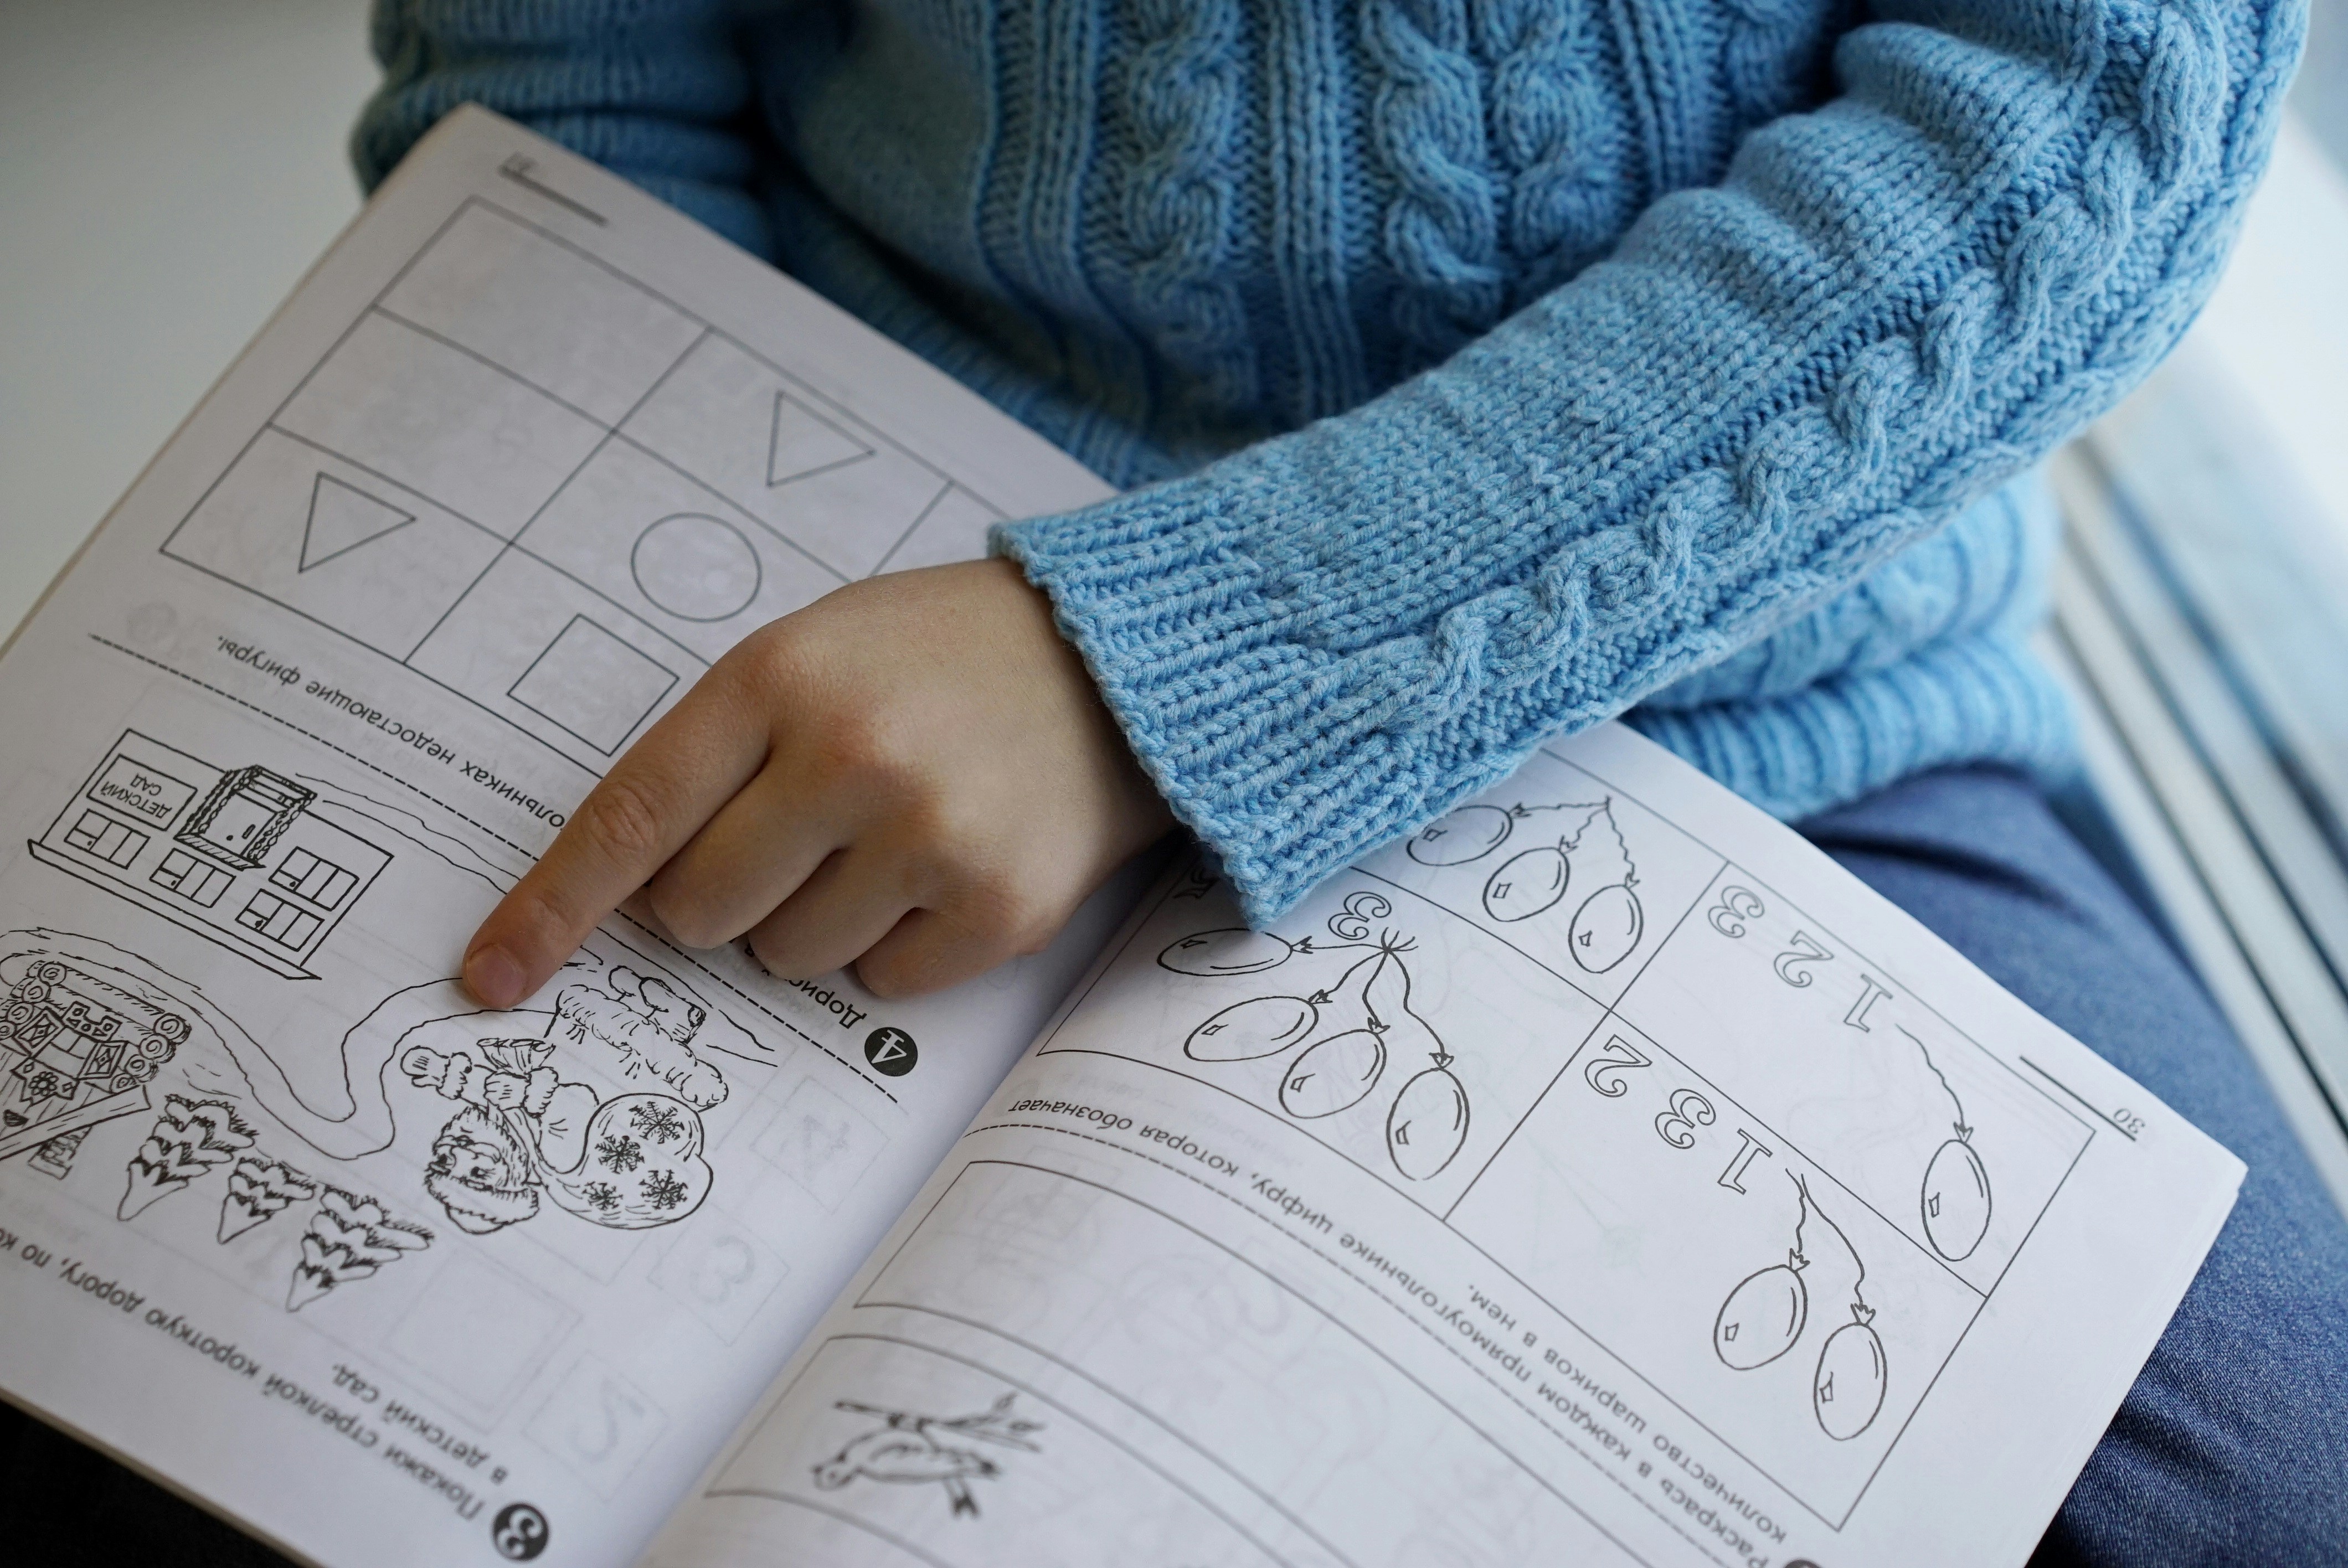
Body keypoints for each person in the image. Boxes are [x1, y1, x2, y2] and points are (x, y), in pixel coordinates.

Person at [6, 0, 2343, 1562]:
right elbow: (566, 56)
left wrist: (1169, 670)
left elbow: (2092, 138)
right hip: (834, 632)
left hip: (1729, 691)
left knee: (2271, 1500)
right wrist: (742, 571)